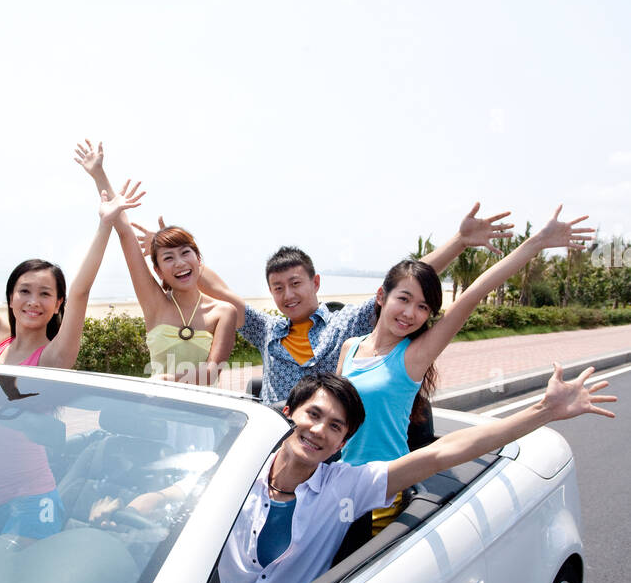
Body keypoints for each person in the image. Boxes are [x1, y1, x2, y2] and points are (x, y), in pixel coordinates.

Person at [97, 367, 615, 583]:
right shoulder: (234, 470)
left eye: (336, 427)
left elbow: (442, 454)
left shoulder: (349, 486)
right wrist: (140, 504)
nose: (320, 431)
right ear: (289, 415)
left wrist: (543, 412)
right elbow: (171, 496)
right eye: (313, 415)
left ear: (344, 441)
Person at [336, 206, 595, 531]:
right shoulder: (350, 348)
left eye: (423, 307)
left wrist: (538, 242)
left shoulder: (413, 356)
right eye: (403, 298)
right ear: (381, 296)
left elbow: (473, 294)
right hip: (336, 484)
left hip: (380, 494)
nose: (410, 313)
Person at [0, 177, 143, 537]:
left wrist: (105, 224)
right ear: (11, 298)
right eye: (24, 291)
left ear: (58, 304)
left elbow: (82, 291)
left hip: (33, 501)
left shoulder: (53, 357)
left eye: (45, 293)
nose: (33, 301)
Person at [134, 205, 514, 405]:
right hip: (269, 445)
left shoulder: (346, 324)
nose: (288, 295)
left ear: (316, 283)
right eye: (278, 288)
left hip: (327, 445)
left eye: (296, 284)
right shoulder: (266, 329)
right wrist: (168, 251)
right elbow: (220, 289)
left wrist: (460, 241)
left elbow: (404, 284)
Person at [74, 140, 237, 384]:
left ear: (198, 258)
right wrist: (99, 174)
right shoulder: (154, 304)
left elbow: (212, 372)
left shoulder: (224, 312)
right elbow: (125, 232)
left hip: (207, 417)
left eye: (185, 253)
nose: (180, 263)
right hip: (158, 415)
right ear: (158, 271)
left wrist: (167, 381)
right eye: (168, 258)